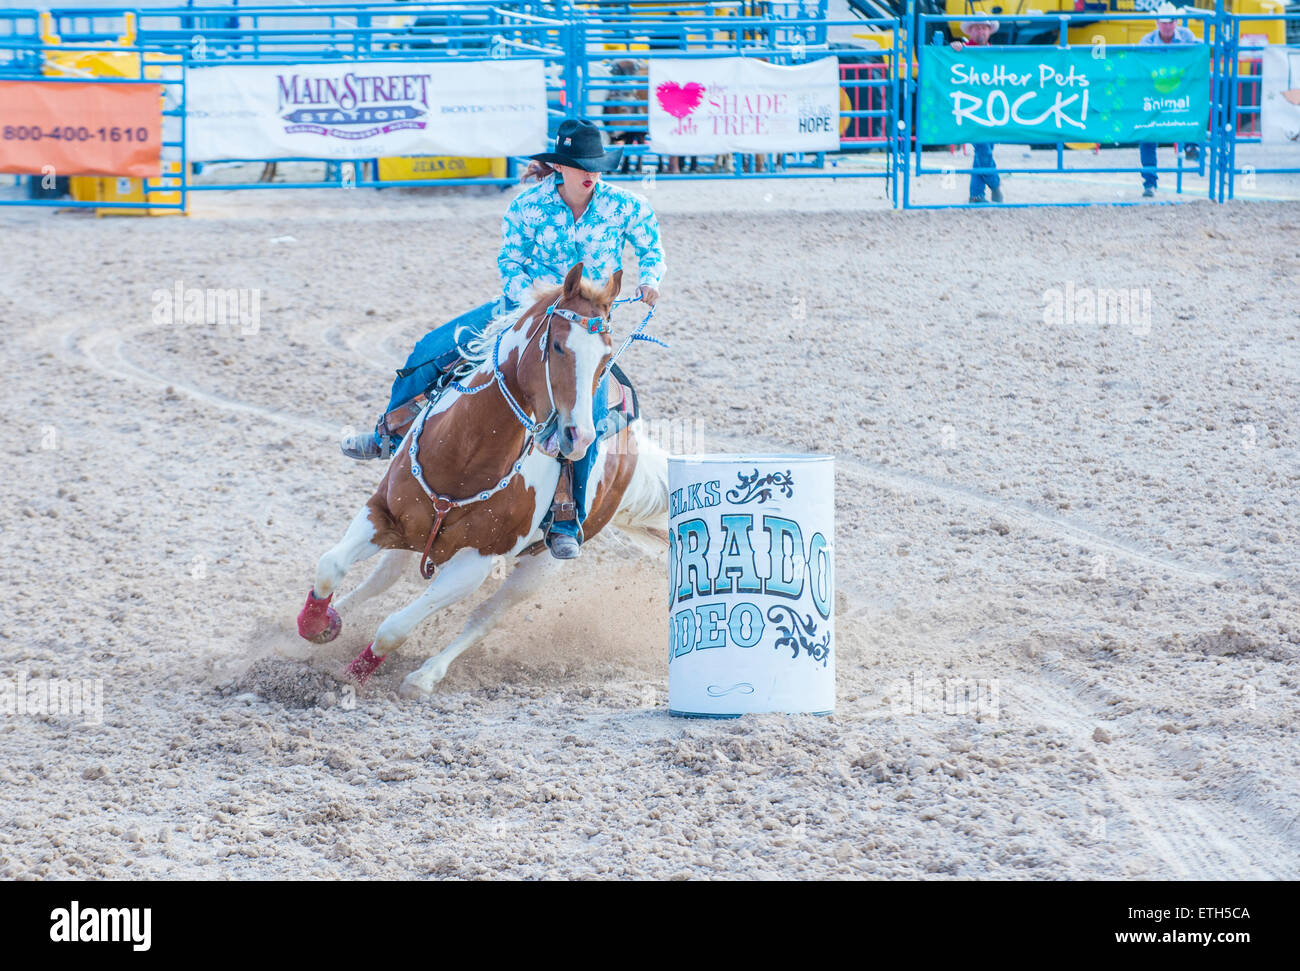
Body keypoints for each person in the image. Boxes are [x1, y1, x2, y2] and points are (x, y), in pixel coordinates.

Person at [340, 119, 666, 560]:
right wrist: (527, 308)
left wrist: (650, 280)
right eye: (581, 165)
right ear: (559, 167)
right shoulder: (526, 207)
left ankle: (566, 519)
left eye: (596, 166)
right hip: (523, 309)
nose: (591, 173)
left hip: (585, 320)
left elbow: (651, 250)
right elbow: (511, 261)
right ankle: (390, 432)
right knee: (432, 348)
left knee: (587, 410)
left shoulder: (628, 207)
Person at [1138, 3, 1201, 197]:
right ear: (1157, 22)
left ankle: (1192, 146)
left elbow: (1201, 52)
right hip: (1155, 96)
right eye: (1163, 22)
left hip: (1179, 94)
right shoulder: (1147, 42)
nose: (1167, 26)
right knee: (1147, 134)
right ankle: (1150, 182)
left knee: (1191, 112)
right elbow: (1139, 65)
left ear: (1176, 22)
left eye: (1171, 22)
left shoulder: (1188, 38)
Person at [951, 19, 1004, 204]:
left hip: (991, 106)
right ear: (970, 32)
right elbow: (946, 58)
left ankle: (976, 195)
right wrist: (954, 48)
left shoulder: (996, 52)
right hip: (971, 107)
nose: (981, 31)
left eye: (984, 28)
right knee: (983, 148)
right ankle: (995, 185)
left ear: (989, 31)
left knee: (984, 149)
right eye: (977, 28)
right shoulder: (963, 49)